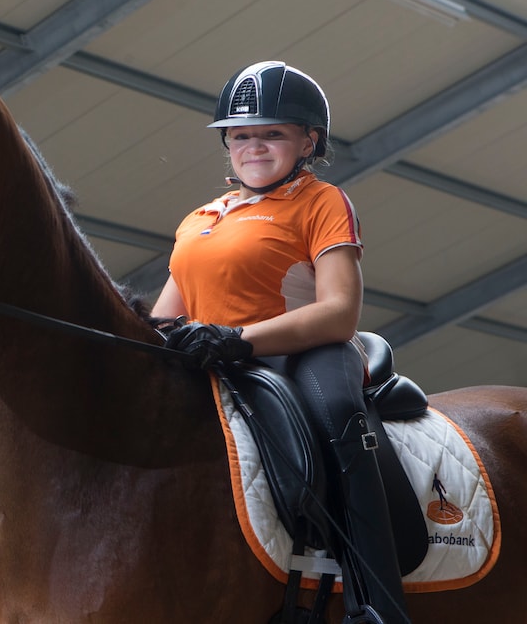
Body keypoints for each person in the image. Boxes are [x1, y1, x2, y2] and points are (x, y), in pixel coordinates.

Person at [151, 61, 410, 624]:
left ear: (307, 141)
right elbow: (164, 320)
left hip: (303, 353)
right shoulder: (198, 219)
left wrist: (238, 339)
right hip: (215, 356)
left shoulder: (321, 201)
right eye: (241, 135)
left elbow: (339, 312)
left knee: (339, 414)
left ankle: (376, 602)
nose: (254, 146)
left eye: (272, 133)